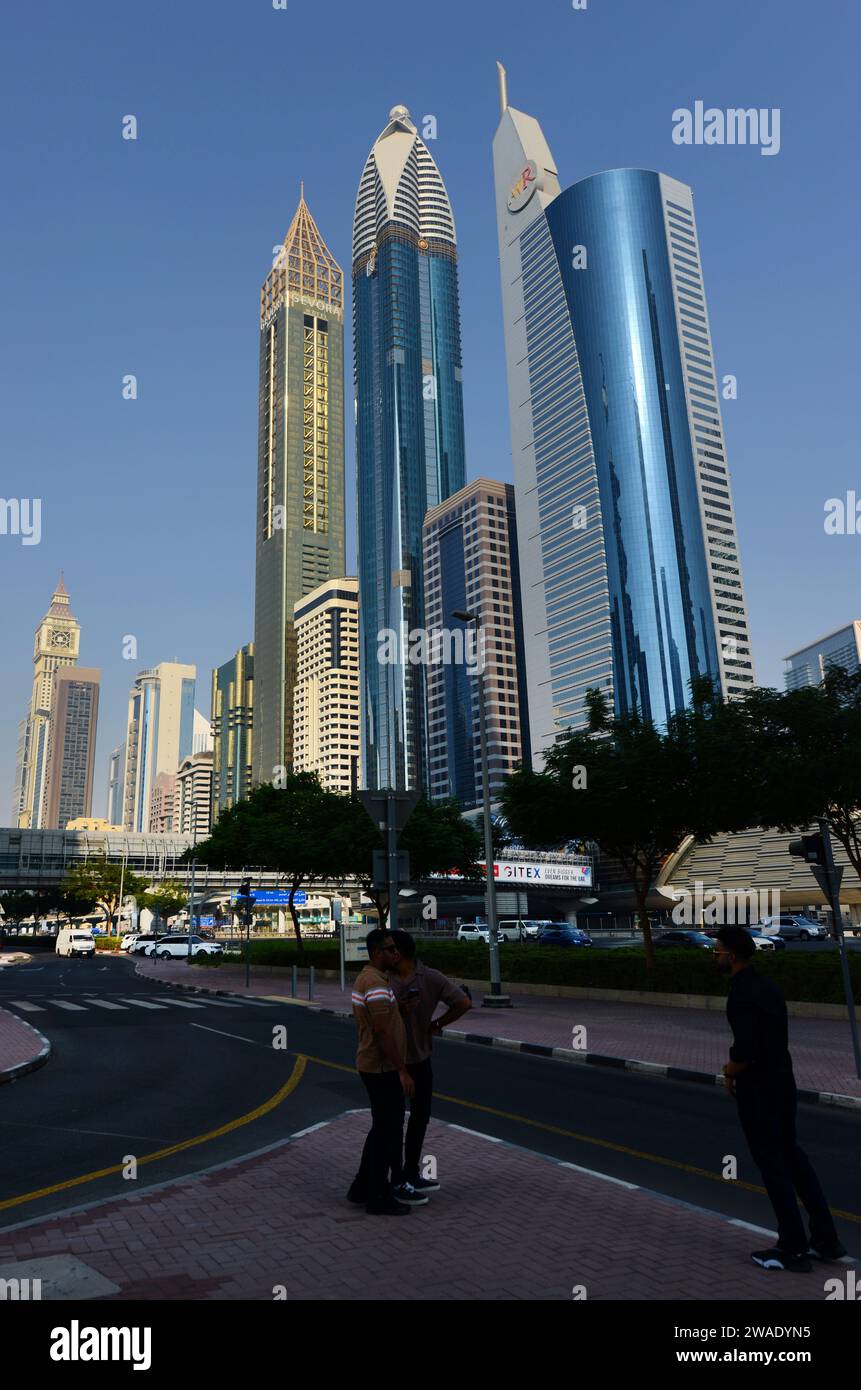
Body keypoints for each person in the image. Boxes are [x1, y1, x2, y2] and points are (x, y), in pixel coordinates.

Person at [715, 925, 845, 1272]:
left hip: (758, 1088)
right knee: (794, 1158)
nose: (714, 955)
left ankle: (792, 1247)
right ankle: (826, 1239)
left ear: (731, 955)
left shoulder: (741, 993)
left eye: (717, 950)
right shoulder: (767, 985)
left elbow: (746, 1048)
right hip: (783, 1083)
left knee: (773, 1165)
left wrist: (730, 1071)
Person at [387, 928, 471, 1197]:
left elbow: (463, 1002)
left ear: (397, 953)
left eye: (389, 948)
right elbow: (463, 1002)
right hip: (393, 1063)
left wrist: (436, 1025)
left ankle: (409, 1174)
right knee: (396, 1121)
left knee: (415, 1120)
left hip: (415, 1061)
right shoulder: (383, 979)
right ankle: (398, 1178)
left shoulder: (426, 978)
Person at [347, 928, 425, 1215]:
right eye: (391, 949)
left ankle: (361, 1187)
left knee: (380, 1129)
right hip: (382, 1068)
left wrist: (399, 1010)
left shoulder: (372, 980)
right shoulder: (376, 983)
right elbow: (381, 1032)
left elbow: (380, 1020)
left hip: (374, 1066)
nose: (396, 953)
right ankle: (378, 1196)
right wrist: (402, 1071)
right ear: (378, 953)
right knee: (387, 1133)